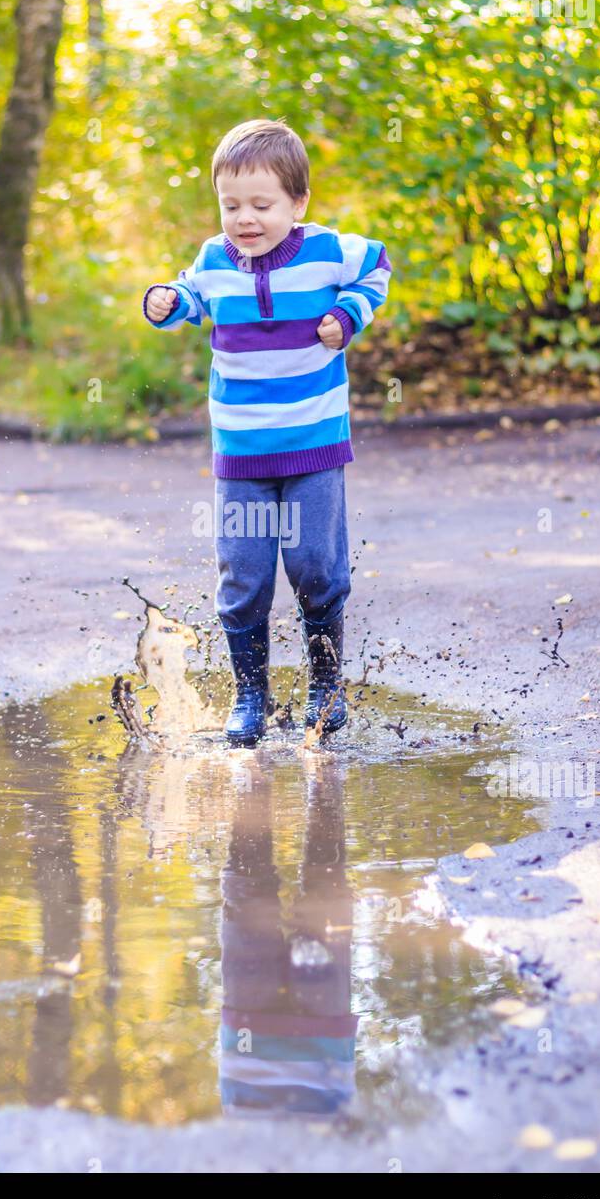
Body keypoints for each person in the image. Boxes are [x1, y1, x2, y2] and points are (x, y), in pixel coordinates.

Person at [143, 118, 391, 745]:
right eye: (231, 206)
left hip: (313, 447)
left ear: (297, 201)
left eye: (262, 205)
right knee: (245, 573)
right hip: (243, 453)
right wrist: (165, 301)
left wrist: (348, 313)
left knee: (316, 567)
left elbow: (378, 266)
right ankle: (250, 694)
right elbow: (190, 295)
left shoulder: (330, 250)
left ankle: (325, 688)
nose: (245, 219)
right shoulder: (214, 259)